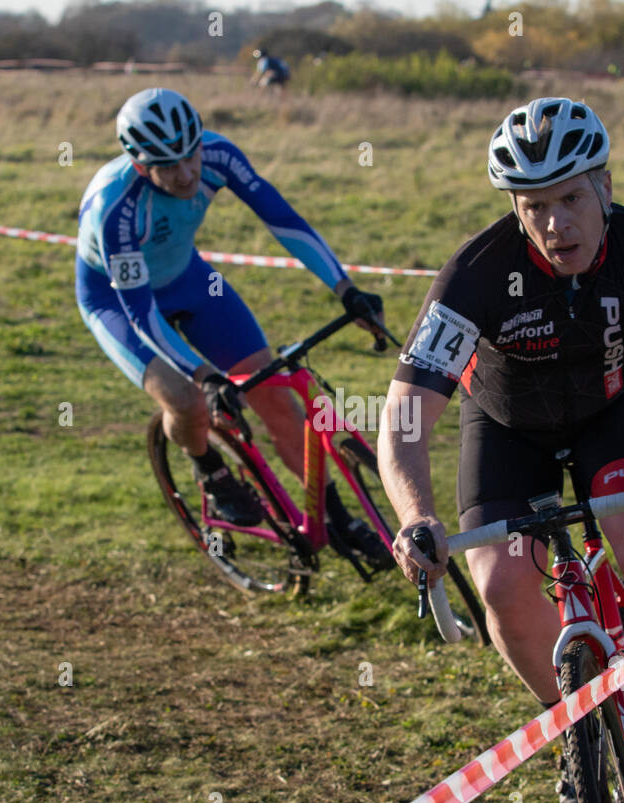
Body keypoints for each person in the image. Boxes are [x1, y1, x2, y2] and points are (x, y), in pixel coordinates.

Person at [377, 98, 624, 803]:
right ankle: (571, 737)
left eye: (572, 198)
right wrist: (416, 516)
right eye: (535, 206)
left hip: (616, 415)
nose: (556, 223)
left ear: (605, 186)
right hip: (507, 426)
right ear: (515, 209)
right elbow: (404, 419)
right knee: (502, 588)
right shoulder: (475, 275)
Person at [76, 88, 389, 561]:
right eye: (168, 166)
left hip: (188, 277)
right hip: (116, 302)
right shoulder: (115, 210)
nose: (186, 175)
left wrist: (346, 289)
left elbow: (281, 220)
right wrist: (205, 376)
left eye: (190, 157)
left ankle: (336, 518)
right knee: (185, 400)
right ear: (141, 167)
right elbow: (141, 313)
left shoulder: (219, 154)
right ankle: (207, 466)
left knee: (276, 401)